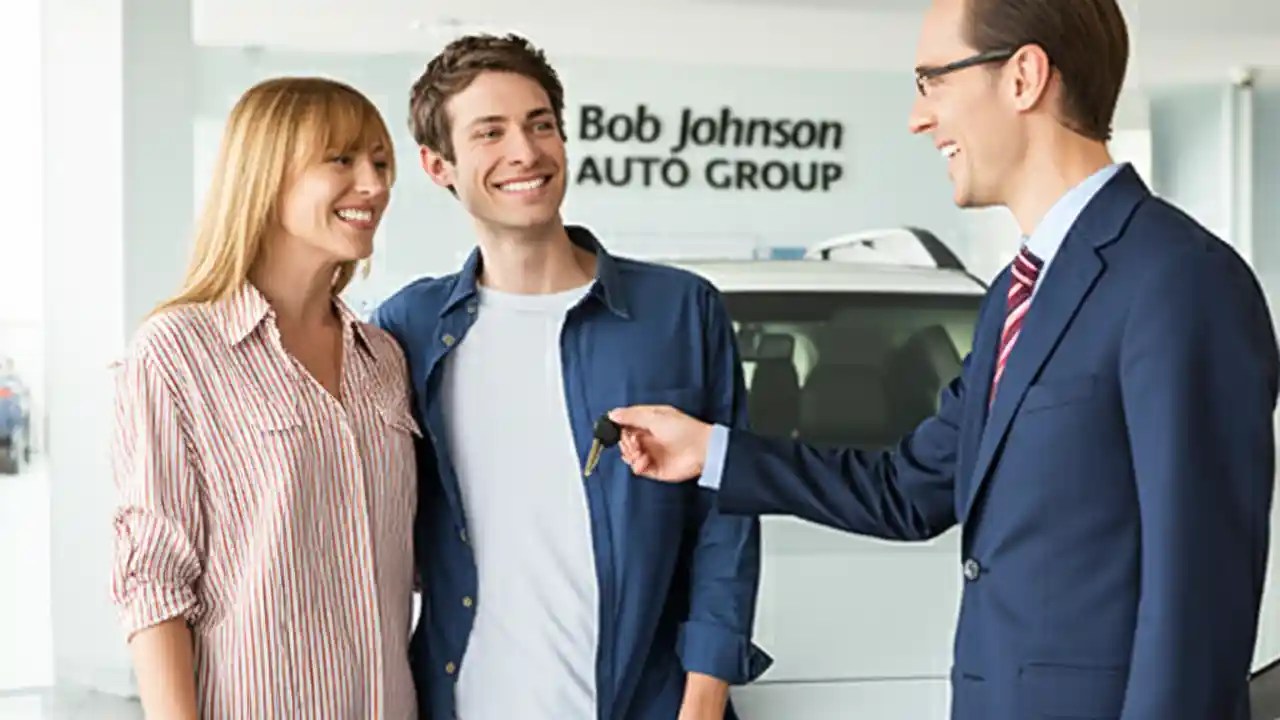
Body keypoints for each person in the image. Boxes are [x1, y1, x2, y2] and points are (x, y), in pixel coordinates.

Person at [609, 0, 1280, 718]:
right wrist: (711, 451)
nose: (916, 118)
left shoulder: (1179, 281)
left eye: (932, 81)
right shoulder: (1016, 295)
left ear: (1024, 76)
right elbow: (908, 488)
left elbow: (1195, 600)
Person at [370, 33, 770, 720]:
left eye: (540, 124)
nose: (525, 152)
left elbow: (726, 512)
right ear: (439, 166)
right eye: (490, 133)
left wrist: (701, 703)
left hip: (646, 703)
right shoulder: (409, 326)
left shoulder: (678, 310)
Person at [109, 77, 420, 719]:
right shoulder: (177, 350)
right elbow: (154, 579)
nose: (375, 184)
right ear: (267, 174)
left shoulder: (384, 358)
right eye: (342, 159)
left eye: (381, 162)